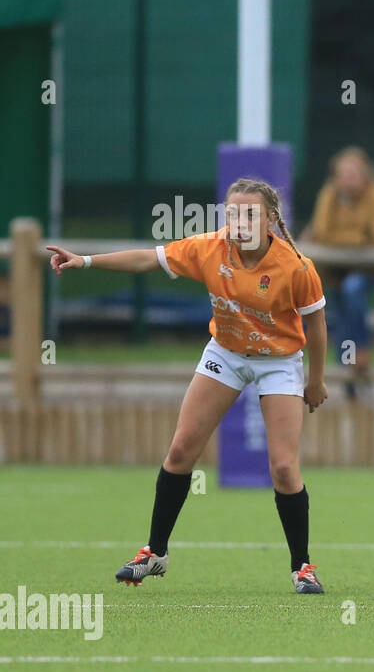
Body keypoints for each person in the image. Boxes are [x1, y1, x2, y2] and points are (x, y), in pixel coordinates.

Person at [47, 178, 329, 593]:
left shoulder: (296, 266)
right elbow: (147, 259)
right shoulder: (209, 248)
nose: (240, 221)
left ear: (271, 219)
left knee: (284, 468)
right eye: (232, 212)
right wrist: (86, 261)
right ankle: (154, 553)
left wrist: (316, 379)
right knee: (181, 449)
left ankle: (302, 567)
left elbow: (317, 323)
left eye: (250, 213)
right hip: (226, 353)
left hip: (279, 361)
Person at [300, 146, 374, 400]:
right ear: (335, 176)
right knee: (340, 314)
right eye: (344, 174)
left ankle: (361, 354)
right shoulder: (329, 195)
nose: (349, 179)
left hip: (367, 270)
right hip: (334, 271)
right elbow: (321, 232)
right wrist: (356, 236)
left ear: (365, 175)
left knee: (353, 290)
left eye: (355, 173)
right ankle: (348, 378)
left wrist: (341, 239)